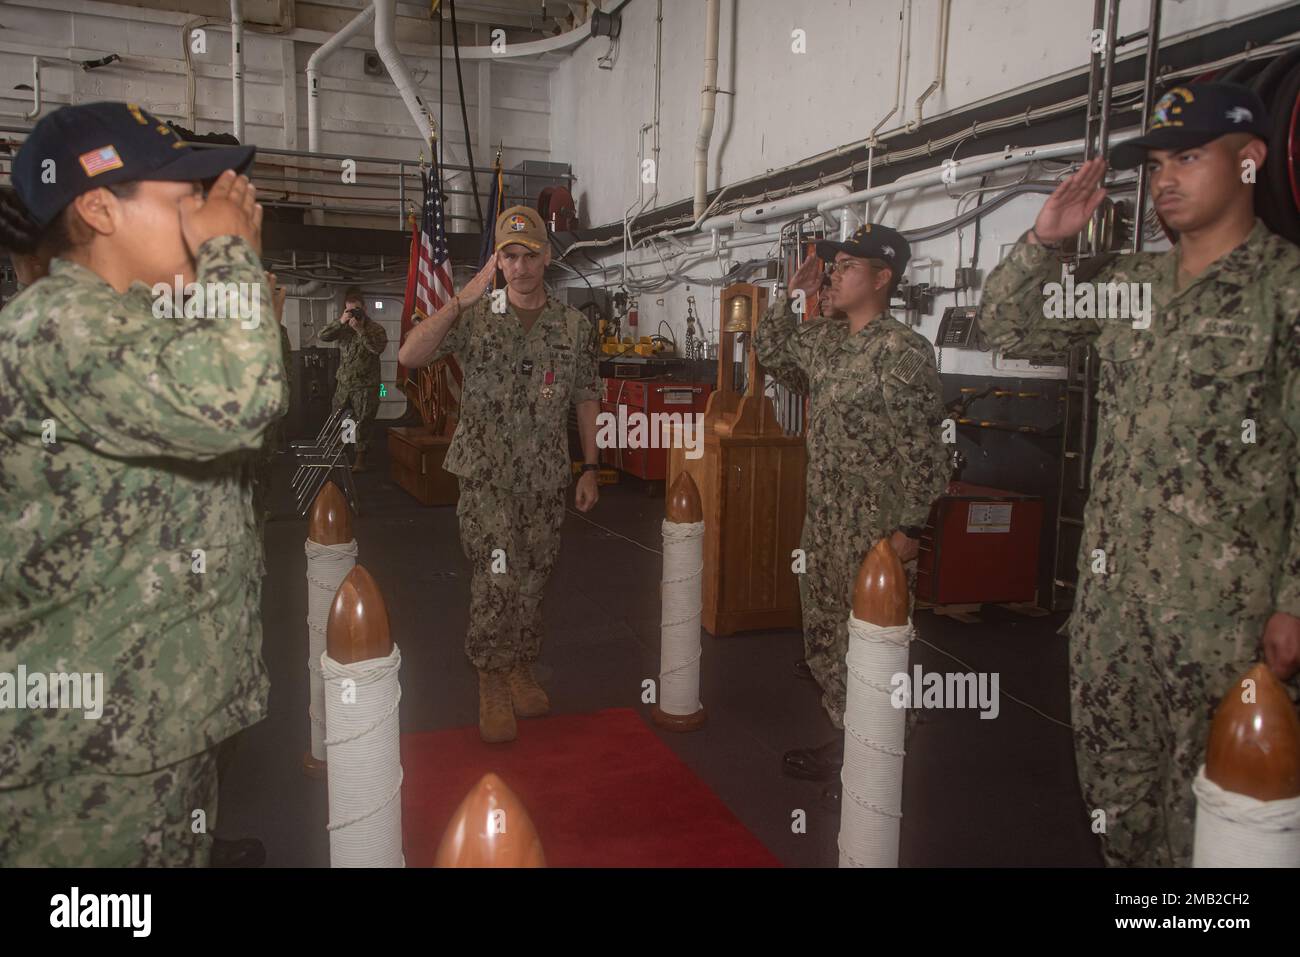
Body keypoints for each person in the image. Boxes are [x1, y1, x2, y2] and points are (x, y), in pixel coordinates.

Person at [978, 81, 1300, 866]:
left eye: (1189, 157)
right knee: (1117, 806)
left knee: (1219, 824)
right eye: (1156, 163)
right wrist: (1046, 241)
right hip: (1112, 618)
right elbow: (1005, 323)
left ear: (1251, 162)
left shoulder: (1286, 292)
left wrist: (1294, 601)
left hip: (1224, 625)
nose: (1165, 180)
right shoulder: (1133, 284)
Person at [0, 101, 286, 866]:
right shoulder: (56, 325)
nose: (209, 209)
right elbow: (238, 397)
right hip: (90, 753)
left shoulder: (130, 323)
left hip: (158, 720)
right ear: (99, 207)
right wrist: (226, 249)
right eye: (186, 195)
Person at [755, 223, 949, 806]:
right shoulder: (828, 341)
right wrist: (792, 294)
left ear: (883, 277)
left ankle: (873, 752)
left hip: (877, 536)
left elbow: (924, 451)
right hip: (826, 527)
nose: (834, 274)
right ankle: (856, 735)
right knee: (824, 640)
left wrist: (910, 529)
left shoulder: (903, 352)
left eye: (847, 266)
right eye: (834, 265)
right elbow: (770, 354)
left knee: (871, 644)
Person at [398, 205, 602, 743]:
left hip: (544, 475)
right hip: (485, 475)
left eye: (529, 255)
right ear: (498, 262)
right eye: (508, 256)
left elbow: (585, 397)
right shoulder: (476, 319)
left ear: (547, 257)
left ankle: (520, 665)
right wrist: (461, 299)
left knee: (535, 576)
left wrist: (591, 468)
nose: (520, 266)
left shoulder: (574, 327)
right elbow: (411, 355)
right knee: (496, 574)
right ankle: (490, 677)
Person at [319, 287, 387, 471]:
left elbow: (377, 349)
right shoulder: (344, 327)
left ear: (364, 308)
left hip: (366, 386)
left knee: (363, 422)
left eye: (357, 309)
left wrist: (360, 331)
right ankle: (343, 453)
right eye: (350, 310)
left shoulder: (376, 329)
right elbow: (323, 336)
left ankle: (360, 459)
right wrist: (341, 321)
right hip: (344, 385)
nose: (354, 313)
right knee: (343, 420)